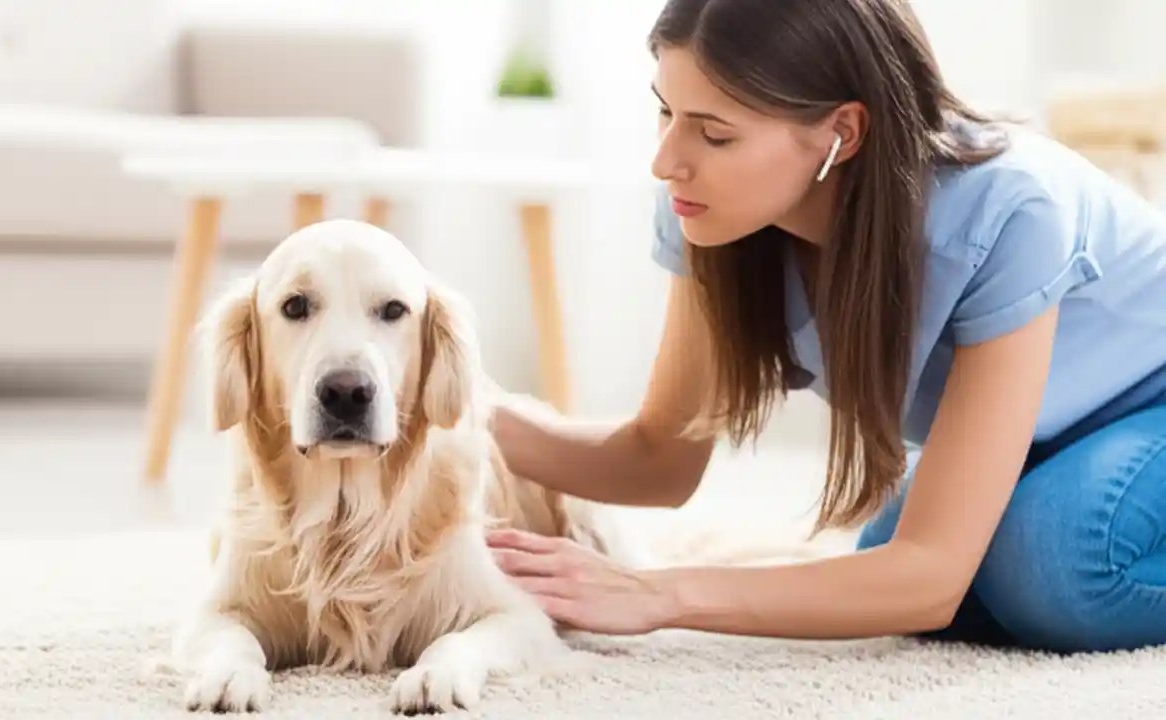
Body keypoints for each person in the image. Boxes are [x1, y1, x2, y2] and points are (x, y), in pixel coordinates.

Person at [485, 0, 1166, 654]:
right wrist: (462, 413)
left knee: (1054, 566)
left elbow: (927, 579)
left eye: (714, 132)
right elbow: (660, 459)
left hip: (1151, 399)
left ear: (842, 132)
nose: (667, 159)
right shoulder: (707, 210)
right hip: (1051, 438)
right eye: (666, 111)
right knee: (891, 570)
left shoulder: (1011, 210)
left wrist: (659, 594)